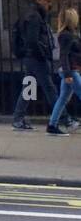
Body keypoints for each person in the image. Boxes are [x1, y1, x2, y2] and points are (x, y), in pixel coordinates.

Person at [12, 0, 59, 131]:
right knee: (50, 88)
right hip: (36, 58)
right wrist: (42, 55)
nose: (49, 4)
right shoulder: (34, 16)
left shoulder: (32, 14)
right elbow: (32, 40)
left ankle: (18, 119)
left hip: (30, 57)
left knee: (29, 87)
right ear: (39, 0)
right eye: (48, 1)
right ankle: (63, 118)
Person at [46, 7, 81, 136]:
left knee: (62, 99)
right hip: (70, 71)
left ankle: (52, 125)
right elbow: (64, 55)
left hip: (71, 70)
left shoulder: (71, 34)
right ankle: (52, 125)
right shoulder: (66, 35)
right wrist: (67, 74)